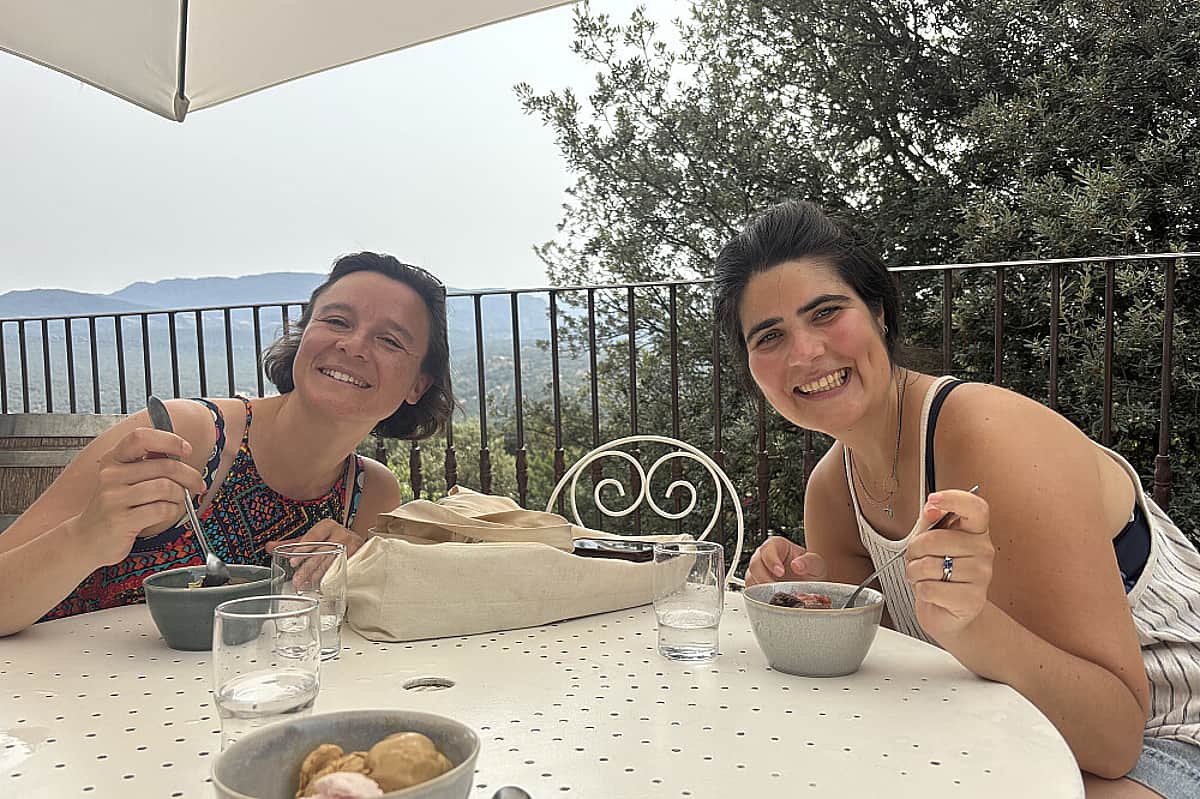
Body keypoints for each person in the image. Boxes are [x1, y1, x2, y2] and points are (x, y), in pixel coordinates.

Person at [717, 200, 1200, 799]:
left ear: (878, 314)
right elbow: (877, 678)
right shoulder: (832, 490)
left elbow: (1114, 736)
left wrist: (971, 625)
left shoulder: (990, 435)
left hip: (1167, 731)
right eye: (770, 336)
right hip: (1013, 731)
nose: (805, 352)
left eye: (826, 312)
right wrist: (801, 604)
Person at [0, 252, 454, 636]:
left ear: (418, 384)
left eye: (389, 340)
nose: (353, 345)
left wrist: (354, 573)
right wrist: (87, 535)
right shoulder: (184, 437)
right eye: (336, 320)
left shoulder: (369, 492)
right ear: (304, 336)